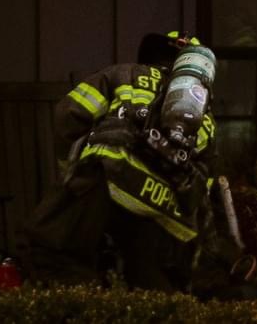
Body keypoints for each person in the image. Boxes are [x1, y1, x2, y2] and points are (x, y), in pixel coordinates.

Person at [22, 30, 217, 290]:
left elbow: (69, 115)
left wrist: (71, 170)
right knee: (152, 289)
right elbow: (206, 183)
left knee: (50, 251)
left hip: (110, 177)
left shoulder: (125, 74)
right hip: (163, 213)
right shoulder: (205, 118)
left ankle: (90, 307)